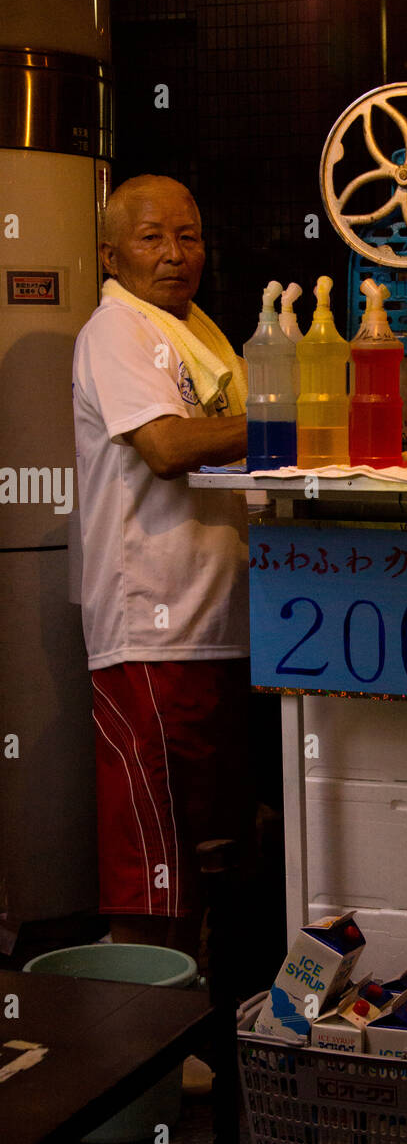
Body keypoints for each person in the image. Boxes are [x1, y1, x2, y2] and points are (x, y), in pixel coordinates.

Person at [73, 174, 251, 967]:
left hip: (218, 631)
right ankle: (137, 1059)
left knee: (204, 863)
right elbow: (168, 448)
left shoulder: (199, 331)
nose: (176, 255)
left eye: (190, 236)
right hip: (150, 635)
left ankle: (186, 1041)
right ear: (111, 254)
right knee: (150, 873)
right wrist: (295, 419)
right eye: (152, 238)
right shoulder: (116, 330)